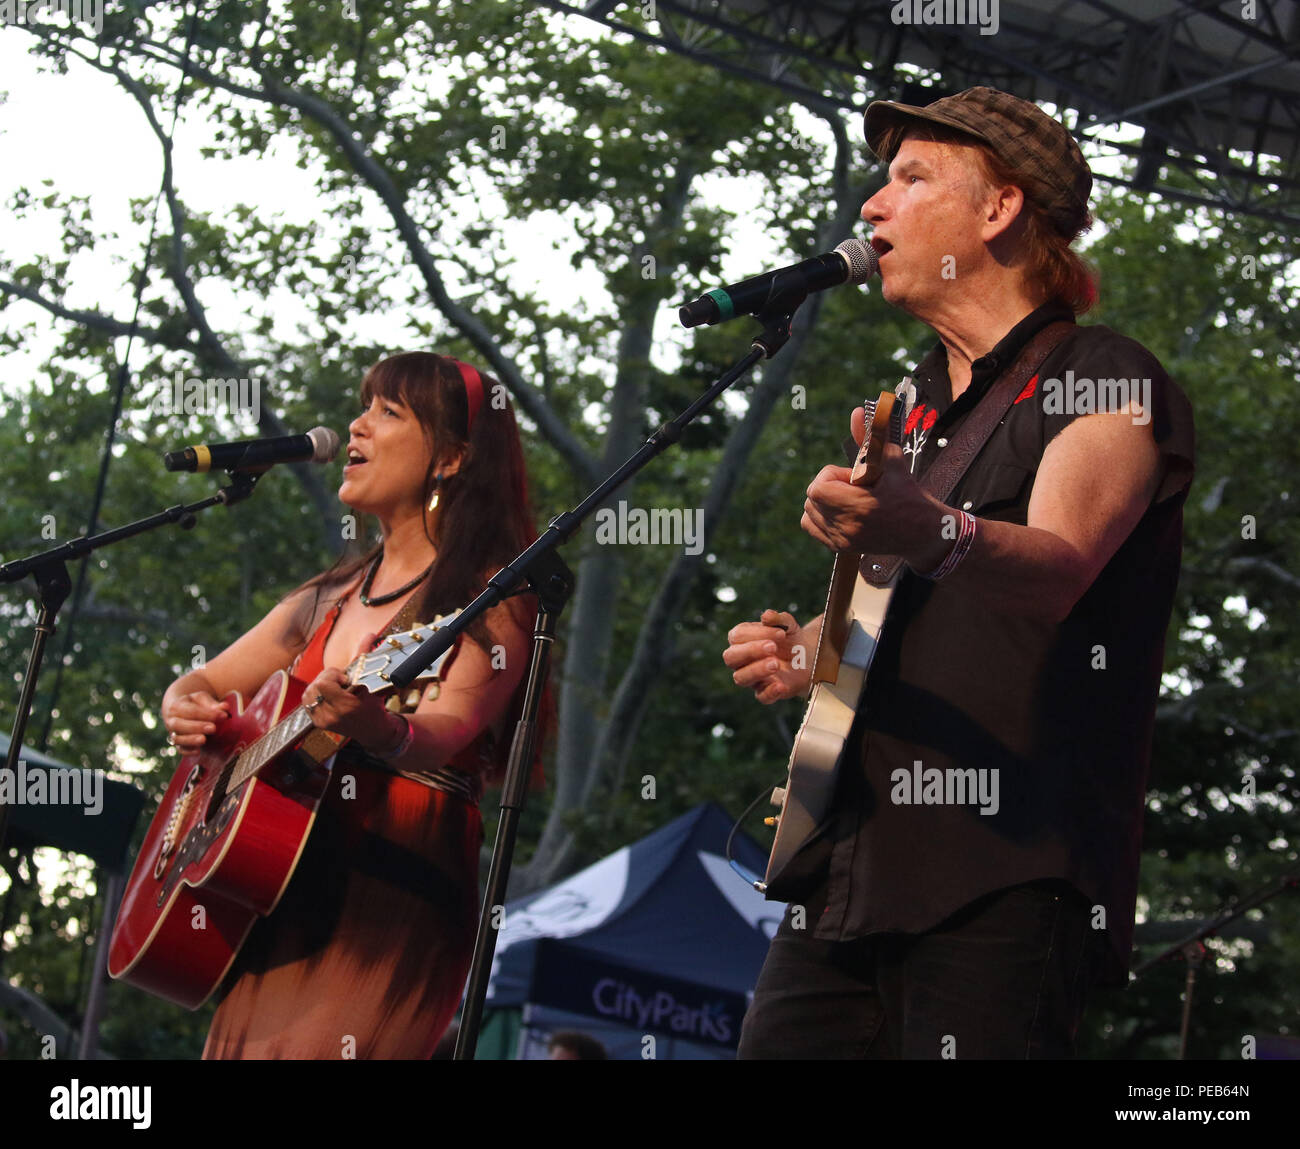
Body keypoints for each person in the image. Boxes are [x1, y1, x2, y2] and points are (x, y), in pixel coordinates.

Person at [723, 87, 1194, 1059]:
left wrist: (923, 529)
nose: (871, 206)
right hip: (842, 872)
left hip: (999, 871)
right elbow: (932, 613)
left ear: (998, 208)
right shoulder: (917, 412)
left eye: (909, 177)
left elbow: (1059, 569)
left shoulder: (1104, 373)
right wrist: (814, 651)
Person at [161, 351, 541, 1059]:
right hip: (277, 878)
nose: (355, 425)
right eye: (364, 405)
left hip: (392, 888)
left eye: (388, 412)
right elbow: (201, 683)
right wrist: (183, 708)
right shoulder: (330, 593)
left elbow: (448, 726)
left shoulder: (495, 597)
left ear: (452, 458)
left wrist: (381, 727)